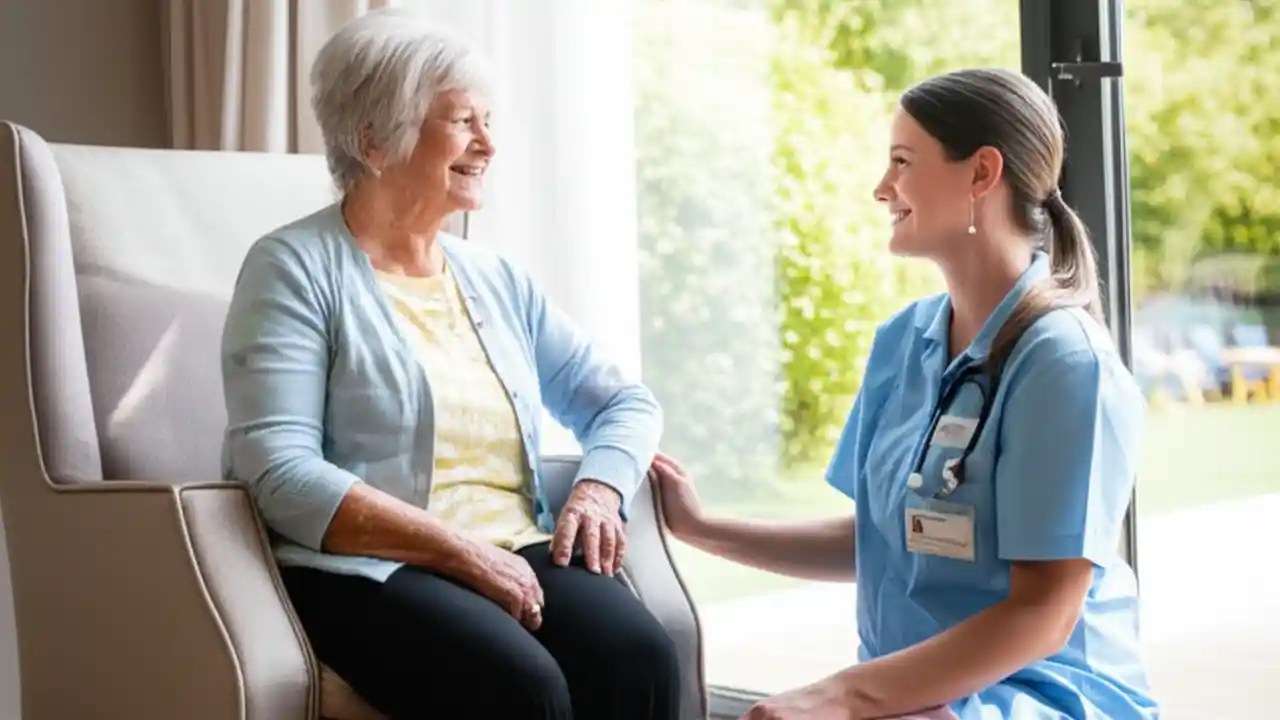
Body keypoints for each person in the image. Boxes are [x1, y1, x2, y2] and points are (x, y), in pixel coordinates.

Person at [651, 68, 1160, 720]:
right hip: (914, 699)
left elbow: (1044, 614)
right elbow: (876, 539)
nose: (881, 188)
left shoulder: (1065, 365)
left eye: (901, 162)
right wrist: (701, 527)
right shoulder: (904, 341)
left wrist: (838, 696)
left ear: (981, 174)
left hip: (1045, 698)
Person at [220, 9, 678, 719]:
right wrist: (460, 552)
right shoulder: (292, 268)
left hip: (515, 542)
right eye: (464, 121)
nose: (489, 144)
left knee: (638, 655)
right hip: (364, 569)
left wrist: (598, 490)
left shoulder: (495, 278)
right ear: (375, 138)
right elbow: (280, 471)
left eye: (488, 121)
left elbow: (623, 402)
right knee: (520, 689)